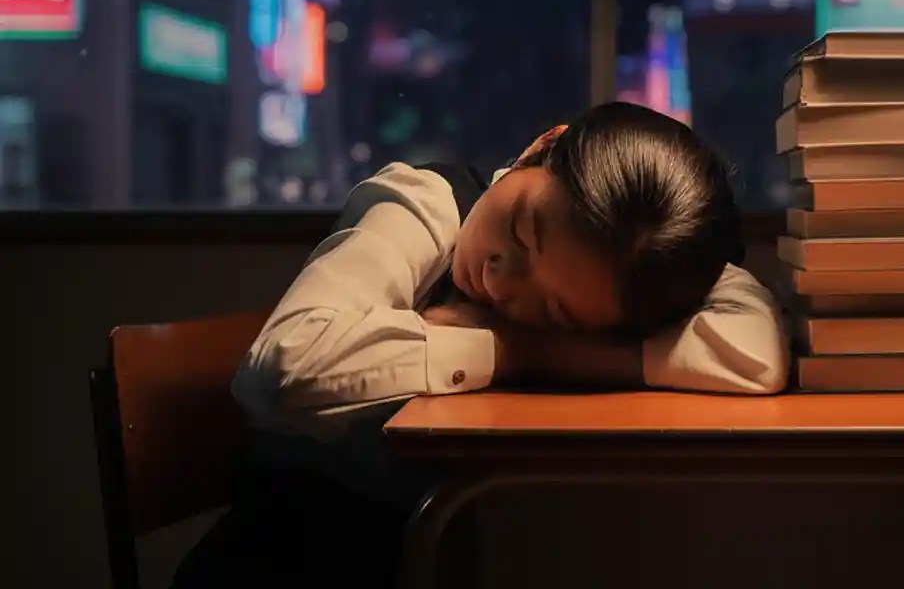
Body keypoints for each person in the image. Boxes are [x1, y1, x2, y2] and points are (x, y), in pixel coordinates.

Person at [171, 102, 789, 588]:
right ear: (542, 148)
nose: (499, 279)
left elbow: (755, 350)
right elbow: (284, 367)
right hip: (286, 566)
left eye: (552, 311)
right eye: (521, 232)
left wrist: (517, 346)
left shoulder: (637, 276)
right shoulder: (424, 203)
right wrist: (521, 342)